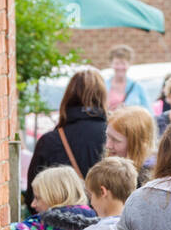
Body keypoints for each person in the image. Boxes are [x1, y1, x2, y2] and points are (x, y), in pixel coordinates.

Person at [25, 68, 108, 210]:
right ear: (102, 97)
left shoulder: (50, 141)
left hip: (59, 228)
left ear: (68, 97)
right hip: (106, 224)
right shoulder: (113, 136)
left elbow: (32, 197)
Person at [106, 105, 157, 183]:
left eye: (116, 140)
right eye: (108, 136)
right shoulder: (110, 166)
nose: (108, 145)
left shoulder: (149, 181)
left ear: (138, 144)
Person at [106, 44, 149, 111]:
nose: (120, 67)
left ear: (129, 64)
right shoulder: (103, 85)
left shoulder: (137, 87)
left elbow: (149, 112)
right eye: (117, 63)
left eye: (123, 63)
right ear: (111, 64)